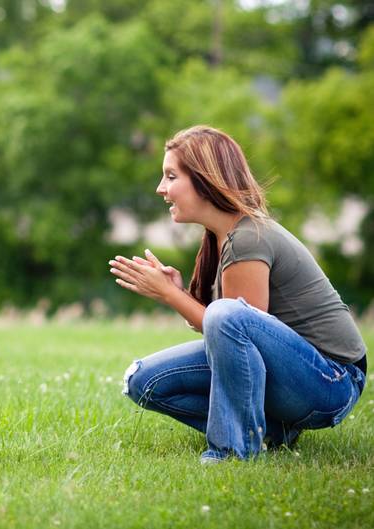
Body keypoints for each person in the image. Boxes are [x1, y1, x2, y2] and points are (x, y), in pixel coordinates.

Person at [111, 125, 367, 463]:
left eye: (171, 176)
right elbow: (232, 339)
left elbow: (235, 325)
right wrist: (175, 293)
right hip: (294, 375)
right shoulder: (223, 237)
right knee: (142, 380)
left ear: (205, 180)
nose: (161, 189)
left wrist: (171, 296)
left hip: (331, 381)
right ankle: (272, 431)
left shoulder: (248, 237)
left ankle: (233, 450)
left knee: (226, 314)